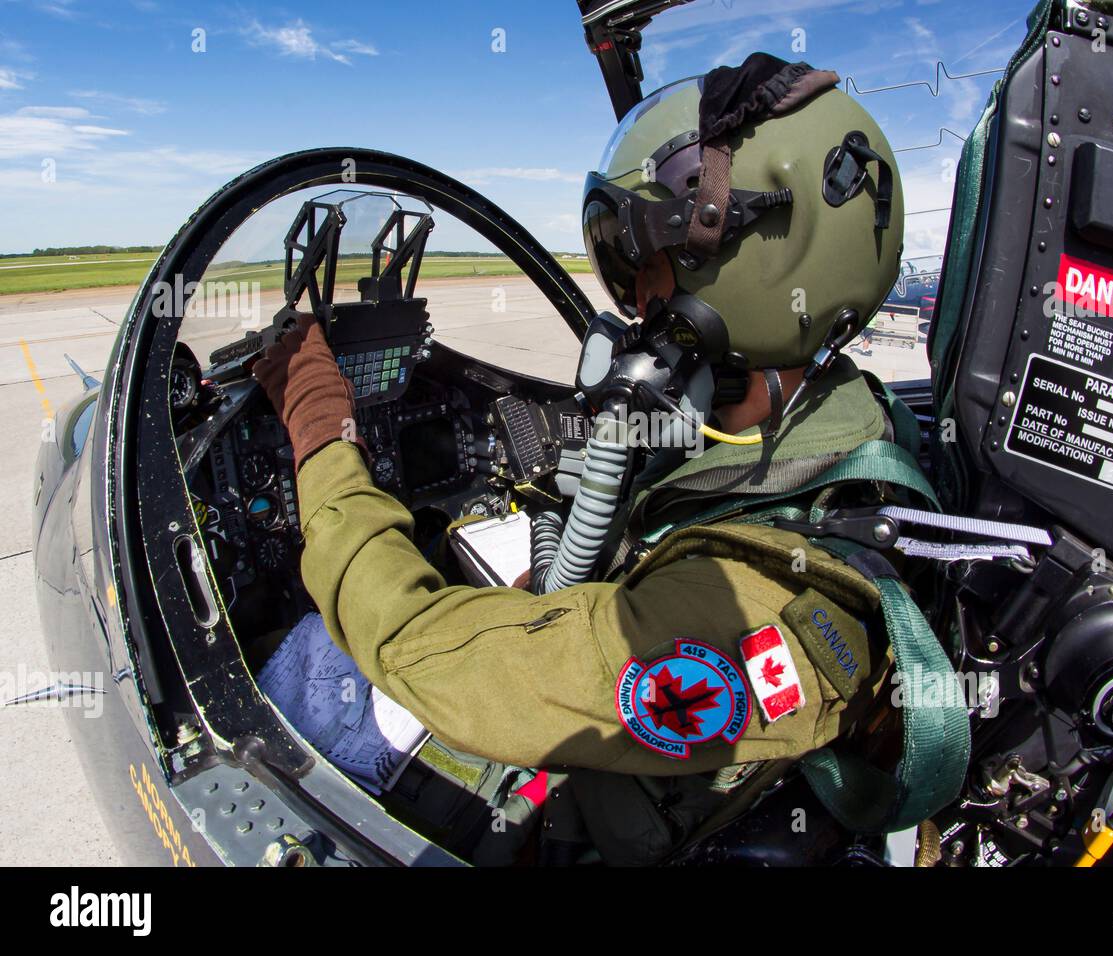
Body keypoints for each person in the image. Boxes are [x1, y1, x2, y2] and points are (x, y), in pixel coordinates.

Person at [253, 54, 965, 864]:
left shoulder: (753, 609)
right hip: (651, 780)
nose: (635, 315)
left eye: (643, 281)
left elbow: (423, 655)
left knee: (311, 668)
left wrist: (321, 431)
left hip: (590, 826)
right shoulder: (851, 423)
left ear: (739, 280)